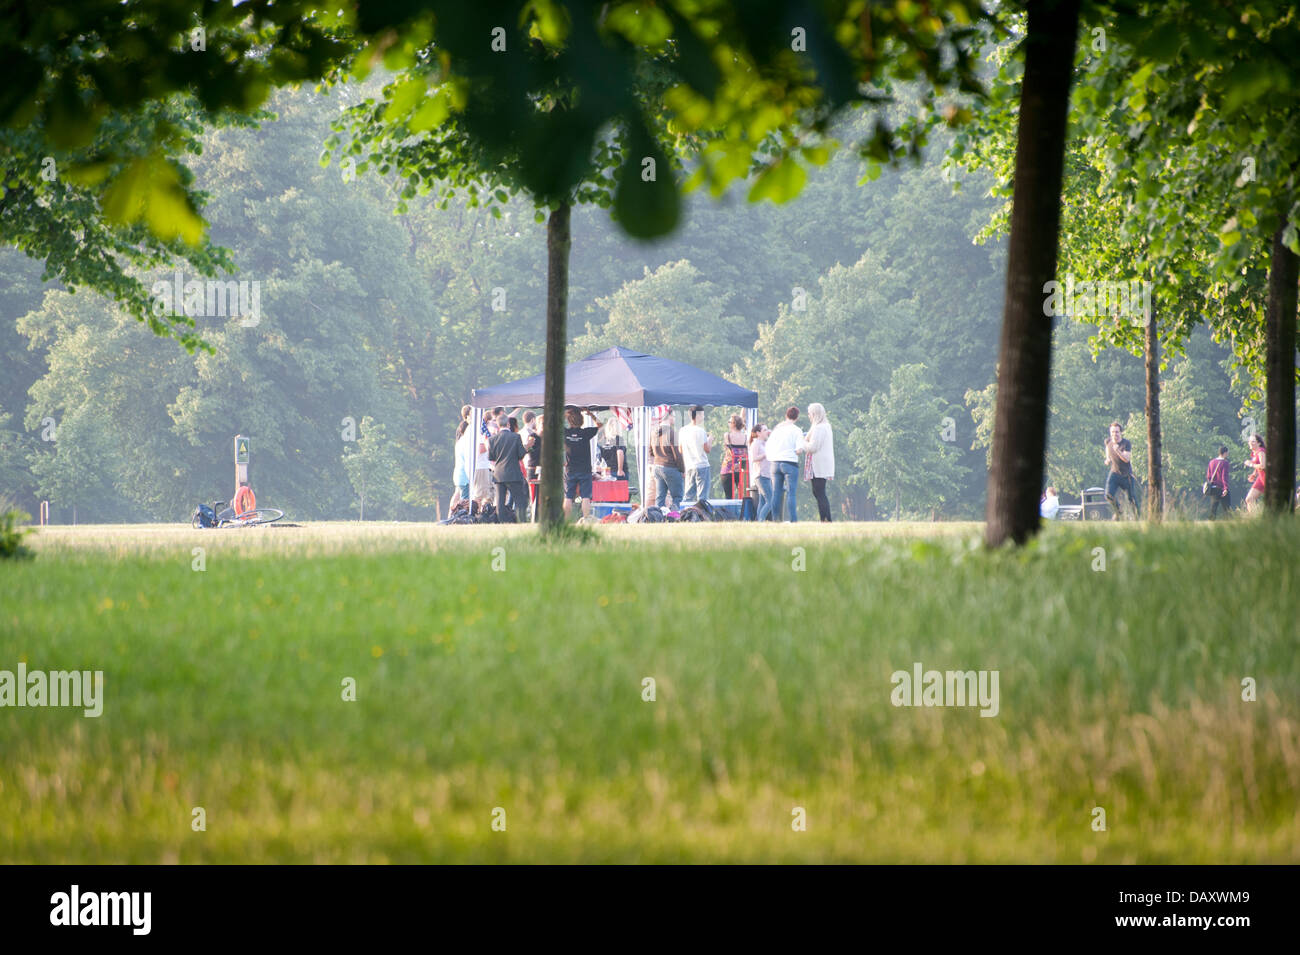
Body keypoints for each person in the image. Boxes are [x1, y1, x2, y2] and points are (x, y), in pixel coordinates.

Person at [563, 407, 603, 520]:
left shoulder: (565, 433)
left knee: (568, 497)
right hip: (585, 470)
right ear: (581, 420)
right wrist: (590, 414)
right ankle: (586, 519)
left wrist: (565, 415)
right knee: (585, 497)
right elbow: (600, 424)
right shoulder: (586, 432)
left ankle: (566, 521)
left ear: (569, 420)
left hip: (570, 470)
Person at [767, 406, 804, 522]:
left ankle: (775, 520)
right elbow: (799, 450)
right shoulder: (797, 430)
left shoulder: (777, 429)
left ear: (786, 415)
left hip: (775, 462)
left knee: (776, 493)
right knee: (791, 493)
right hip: (790, 463)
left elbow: (768, 446)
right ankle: (793, 520)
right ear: (797, 417)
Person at [489, 416, 528, 523]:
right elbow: (520, 455)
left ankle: (503, 522)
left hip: (498, 474)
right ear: (508, 424)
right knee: (520, 500)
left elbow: (491, 457)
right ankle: (522, 521)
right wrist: (527, 447)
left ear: (498, 425)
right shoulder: (515, 437)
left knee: (500, 501)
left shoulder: (492, 439)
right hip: (513, 473)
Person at [802, 402, 834, 522]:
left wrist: (802, 442)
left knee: (819, 492)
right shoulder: (825, 426)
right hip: (821, 464)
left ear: (814, 414)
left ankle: (826, 519)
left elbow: (813, 447)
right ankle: (825, 518)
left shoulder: (820, 428)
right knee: (818, 492)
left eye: (810, 414)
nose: (809, 416)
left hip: (818, 465)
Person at [1103, 421, 1140, 519]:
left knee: (1131, 498)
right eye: (1112, 432)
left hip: (1126, 475)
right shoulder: (1108, 442)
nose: (1114, 434)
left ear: (1121, 433)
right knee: (1108, 495)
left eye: (1116, 432)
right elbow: (1108, 451)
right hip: (1114, 473)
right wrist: (1107, 459)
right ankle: (1119, 512)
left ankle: (1137, 518)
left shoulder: (1126, 443)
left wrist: (1118, 451)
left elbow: (1126, 459)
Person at [679, 405, 713, 503]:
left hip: (689, 466)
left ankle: (684, 515)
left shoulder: (682, 430)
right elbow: (707, 449)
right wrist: (710, 439)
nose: (703, 417)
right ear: (697, 416)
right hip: (702, 465)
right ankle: (702, 515)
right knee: (702, 497)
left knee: (688, 496)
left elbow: (680, 450)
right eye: (702, 415)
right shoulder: (700, 430)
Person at [650, 419, 685, 510]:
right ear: (668, 417)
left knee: (660, 497)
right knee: (677, 497)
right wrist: (682, 470)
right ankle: (675, 516)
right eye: (673, 415)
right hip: (670, 467)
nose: (674, 418)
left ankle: (658, 517)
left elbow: (650, 452)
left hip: (657, 467)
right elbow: (677, 454)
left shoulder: (654, 433)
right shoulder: (672, 433)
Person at [718, 414, 749, 499]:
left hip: (728, 468)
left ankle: (729, 512)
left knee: (728, 496)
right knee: (743, 495)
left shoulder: (727, 435)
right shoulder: (746, 437)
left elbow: (727, 447)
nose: (728, 423)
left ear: (733, 424)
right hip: (741, 468)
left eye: (729, 422)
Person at [748, 424, 772, 522]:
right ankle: (760, 520)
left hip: (767, 475)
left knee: (762, 501)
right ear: (758, 433)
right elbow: (754, 458)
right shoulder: (756, 443)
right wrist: (765, 455)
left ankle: (759, 522)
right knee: (771, 500)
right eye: (765, 430)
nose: (767, 431)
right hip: (761, 475)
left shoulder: (764, 443)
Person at [1203, 445, 1231, 519]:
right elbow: (1224, 476)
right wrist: (1225, 488)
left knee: (1213, 508)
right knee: (1227, 509)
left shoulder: (1211, 462)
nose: (1228, 454)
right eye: (1227, 453)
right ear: (1224, 453)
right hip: (1221, 488)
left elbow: (1208, 476)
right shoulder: (1225, 463)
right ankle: (1228, 524)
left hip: (1213, 488)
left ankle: (1211, 523)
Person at [598, 415, 628, 479]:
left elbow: (599, 457)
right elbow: (620, 452)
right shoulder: (618, 439)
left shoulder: (602, 440)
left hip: (606, 472)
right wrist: (620, 470)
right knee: (621, 489)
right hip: (617, 471)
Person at [451, 420, 472, 506]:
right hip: (465, 476)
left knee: (460, 497)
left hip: (459, 475)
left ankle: (452, 515)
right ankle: (462, 517)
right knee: (465, 501)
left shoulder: (459, 441)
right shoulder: (466, 442)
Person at [1243, 434, 1266, 514]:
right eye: (1249, 441)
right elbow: (1258, 465)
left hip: (1268, 478)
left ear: (1259, 443)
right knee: (1249, 499)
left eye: (1253, 441)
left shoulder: (1261, 451)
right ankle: (1255, 519)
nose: (1250, 443)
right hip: (1261, 478)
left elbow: (1263, 465)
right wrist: (1254, 474)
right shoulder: (1254, 453)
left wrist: (1250, 464)